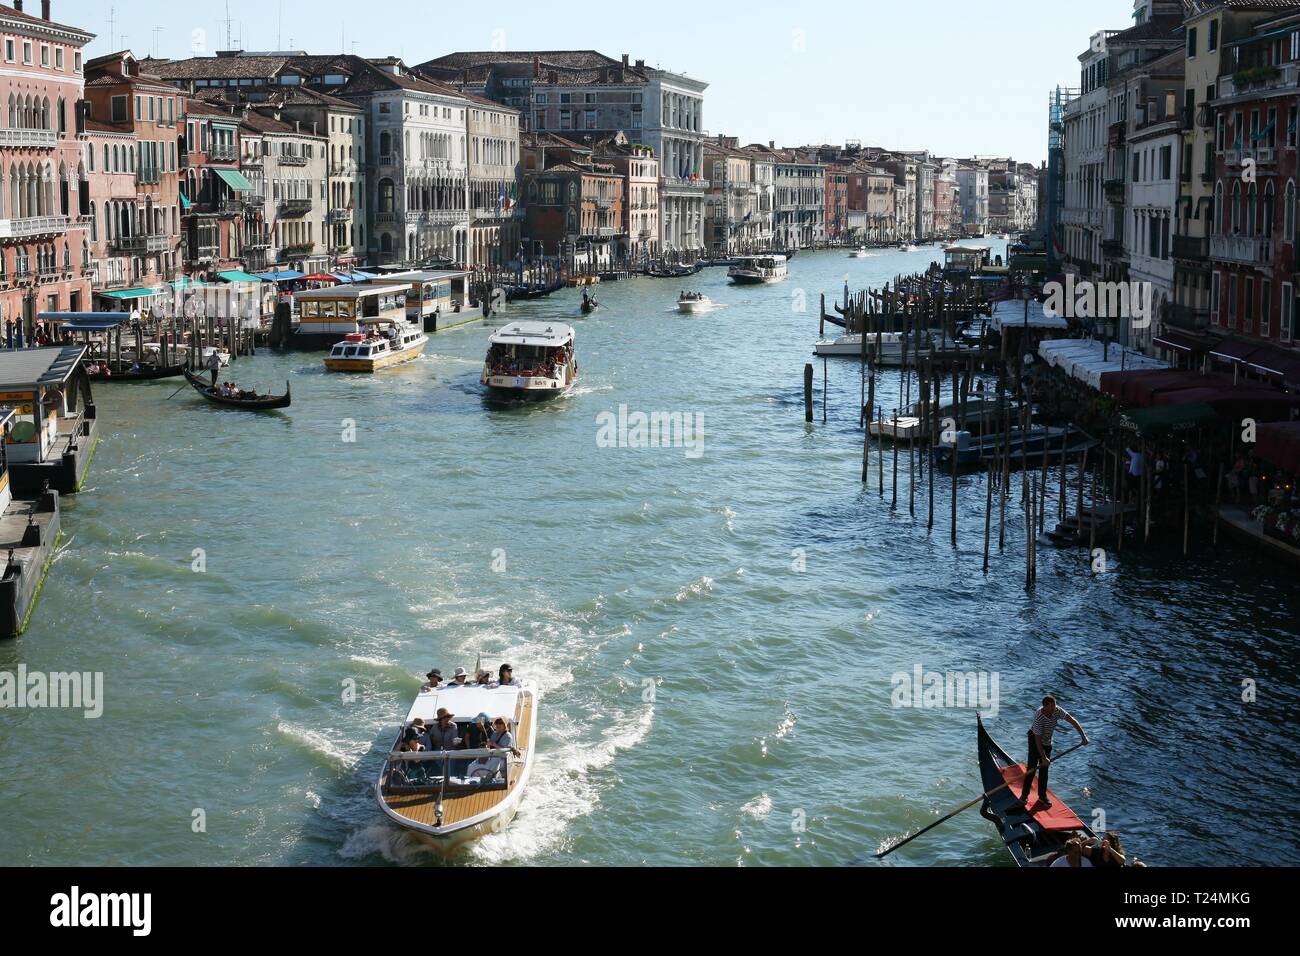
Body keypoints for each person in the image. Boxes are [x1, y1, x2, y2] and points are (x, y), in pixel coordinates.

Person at [1010, 695, 1088, 812]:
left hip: (1047, 741)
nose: (1054, 709)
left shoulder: (1057, 711)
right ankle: (1024, 797)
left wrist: (1083, 736)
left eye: (1055, 705)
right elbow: (1037, 739)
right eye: (1051, 706)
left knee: (1044, 769)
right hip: (1035, 740)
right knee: (1032, 768)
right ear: (1045, 706)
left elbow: (1072, 720)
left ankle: (1042, 796)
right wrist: (1043, 757)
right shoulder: (1039, 717)